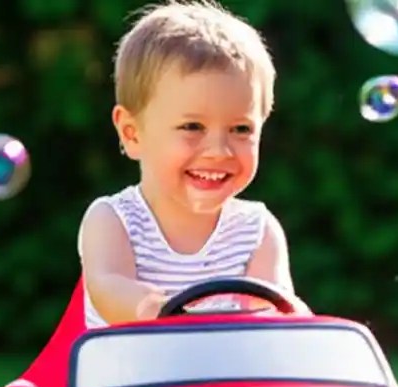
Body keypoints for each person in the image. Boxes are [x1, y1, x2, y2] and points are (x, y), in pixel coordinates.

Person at [77, 0, 304, 327]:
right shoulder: (113, 221)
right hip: (131, 376)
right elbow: (109, 290)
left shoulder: (257, 230)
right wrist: (175, 314)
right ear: (132, 133)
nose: (218, 151)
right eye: (192, 127)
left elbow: (276, 312)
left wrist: (297, 319)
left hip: (230, 377)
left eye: (241, 129)